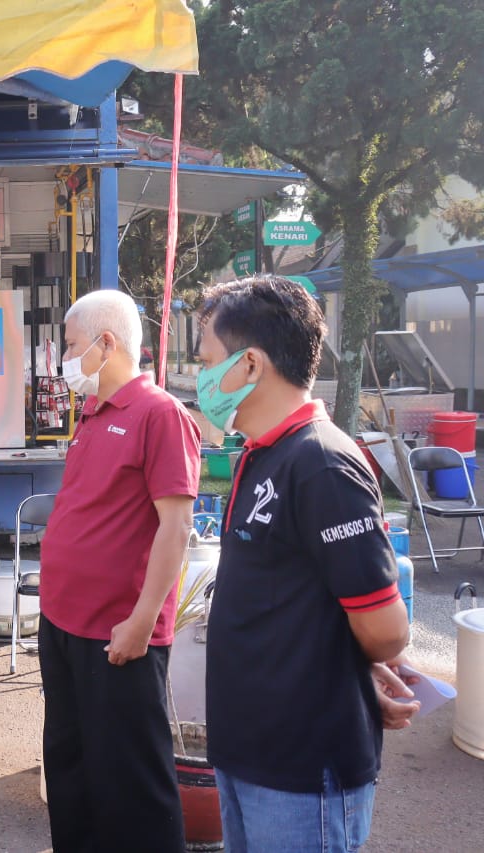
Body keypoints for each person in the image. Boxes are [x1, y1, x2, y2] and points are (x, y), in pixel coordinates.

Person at [196, 276, 414, 853]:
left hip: (301, 769)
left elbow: (386, 631)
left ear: (250, 365)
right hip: (248, 750)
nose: (200, 378)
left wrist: (353, 668)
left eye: (207, 362)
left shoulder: (321, 464)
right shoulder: (263, 453)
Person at [38, 289, 199, 852]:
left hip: (117, 634)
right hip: (63, 623)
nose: (66, 357)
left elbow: (175, 527)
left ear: (106, 344)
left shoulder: (159, 415)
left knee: (130, 781)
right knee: (71, 768)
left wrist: (142, 621)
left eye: (71, 345)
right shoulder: (92, 412)